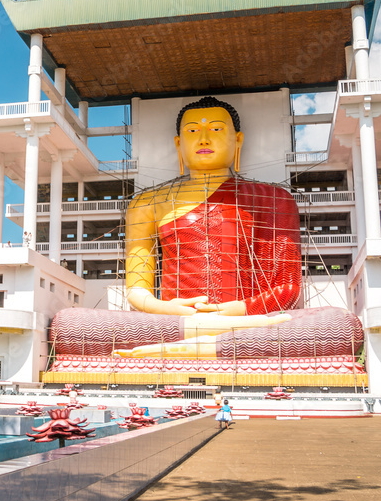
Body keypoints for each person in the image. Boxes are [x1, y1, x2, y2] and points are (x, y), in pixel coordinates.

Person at [49, 97, 363, 359]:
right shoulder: (147, 203)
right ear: (178, 143)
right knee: (71, 323)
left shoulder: (274, 198)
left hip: (252, 319)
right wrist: (167, 309)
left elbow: (287, 291)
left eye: (215, 128)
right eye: (192, 130)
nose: (203, 138)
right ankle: (208, 342)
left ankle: (176, 348)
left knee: (336, 324)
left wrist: (234, 311)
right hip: (175, 321)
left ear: (237, 140)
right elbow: (137, 292)